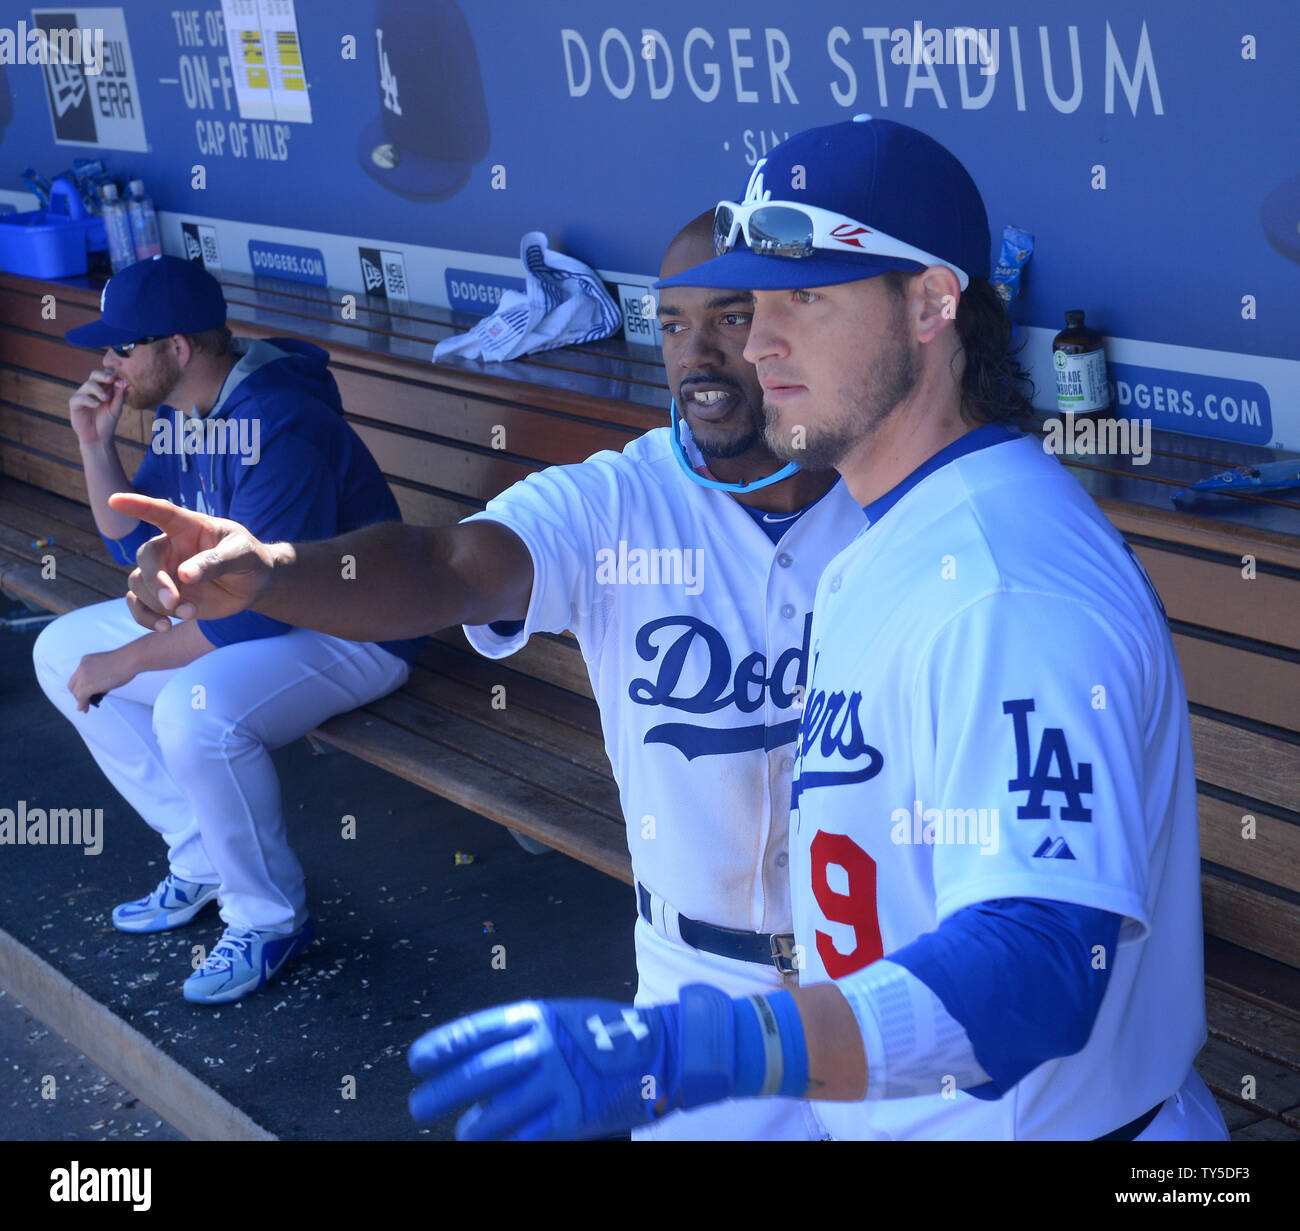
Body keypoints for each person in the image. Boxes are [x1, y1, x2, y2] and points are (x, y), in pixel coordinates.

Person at [394, 117, 1230, 1142]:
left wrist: (710, 1048)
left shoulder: (1004, 585)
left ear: (929, 304)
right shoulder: (894, 532)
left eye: (806, 298)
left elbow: (1044, 960)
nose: (756, 342)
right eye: (755, 304)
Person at [110, 219, 867, 1139]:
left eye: (731, 316)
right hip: (697, 986)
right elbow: (447, 564)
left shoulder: (891, 499)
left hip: (888, 974)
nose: (697, 354)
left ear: (794, 326)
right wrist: (276, 570)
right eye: (671, 324)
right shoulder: (617, 497)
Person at [33, 255, 424, 1005]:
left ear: (176, 349)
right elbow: (130, 540)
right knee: (59, 651)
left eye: (123, 347)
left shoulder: (282, 422)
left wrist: (126, 661)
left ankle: (269, 916)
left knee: (195, 713)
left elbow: (253, 612)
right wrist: (93, 442)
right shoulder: (191, 409)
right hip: (261, 615)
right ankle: (203, 854)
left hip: (362, 628)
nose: (107, 362)